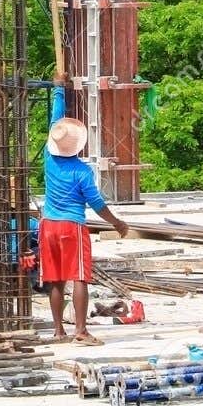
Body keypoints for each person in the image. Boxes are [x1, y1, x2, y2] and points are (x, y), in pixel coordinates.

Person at [40, 112, 129, 344]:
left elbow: (54, 121)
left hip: (48, 226)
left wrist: (59, 90)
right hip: (72, 227)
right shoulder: (82, 171)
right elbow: (97, 204)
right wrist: (117, 223)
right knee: (80, 277)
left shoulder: (48, 159)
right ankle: (80, 331)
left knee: (55, 279)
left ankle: (59, 330)